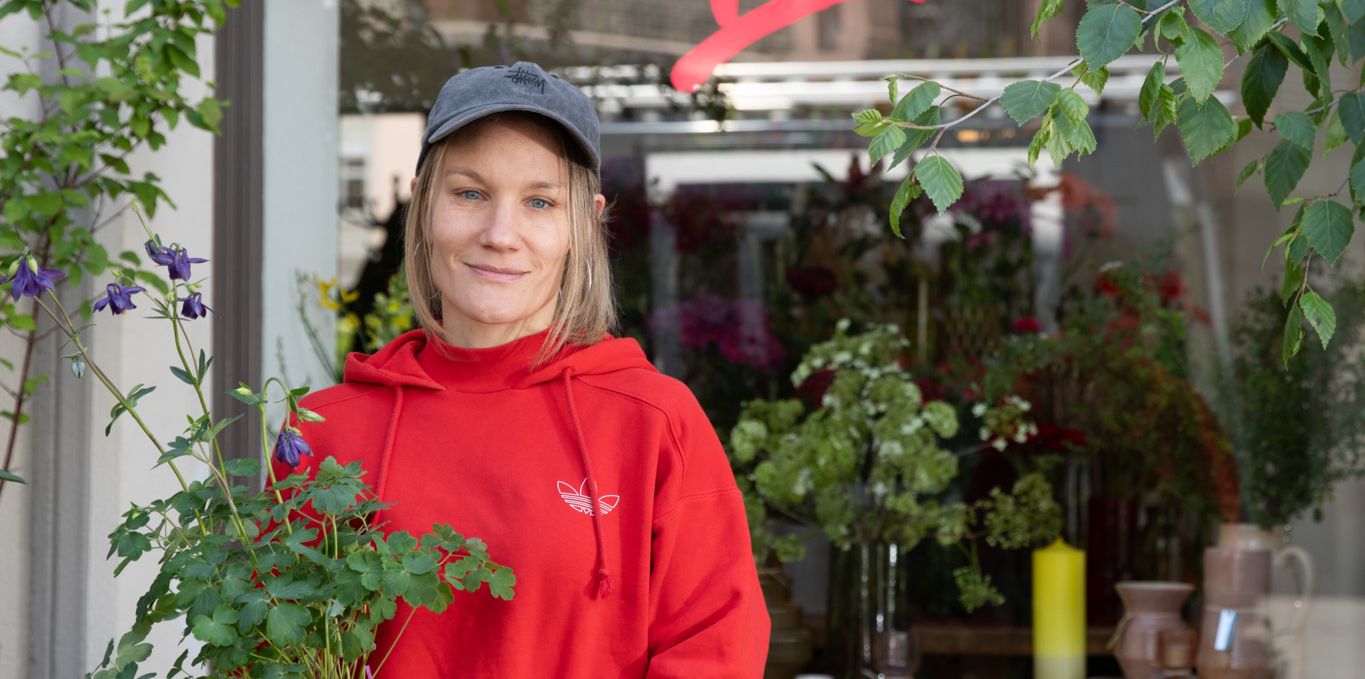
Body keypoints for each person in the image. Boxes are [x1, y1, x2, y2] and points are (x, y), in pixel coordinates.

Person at [276, 61, 770, 677]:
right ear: (423, 203)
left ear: (583, 224)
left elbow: (714, 649)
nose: (500, 233)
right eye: (470, 193)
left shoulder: (653, 422)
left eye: (539, 202)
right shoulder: (325, 435)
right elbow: (268, 649)